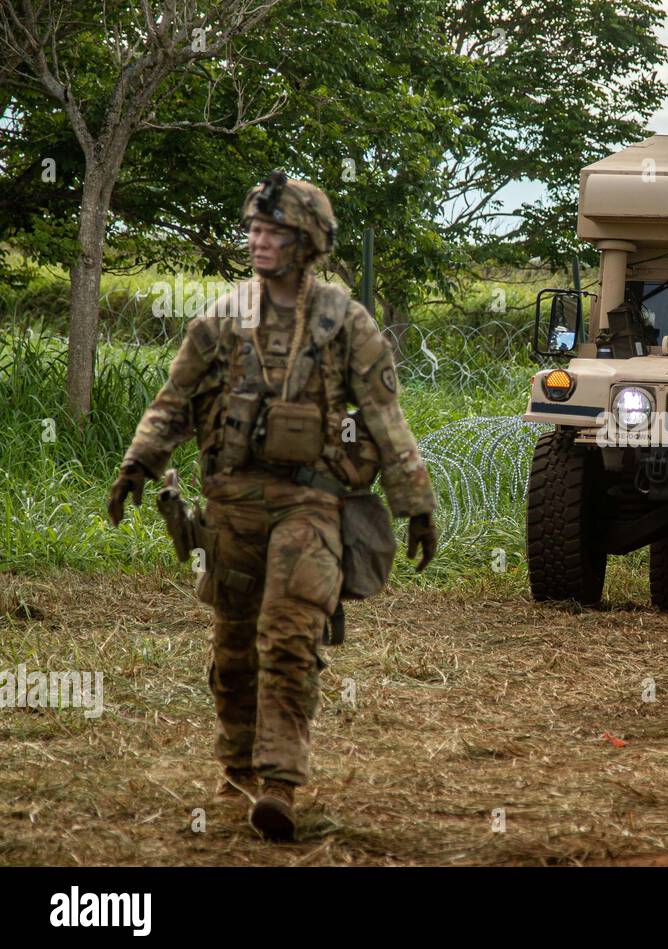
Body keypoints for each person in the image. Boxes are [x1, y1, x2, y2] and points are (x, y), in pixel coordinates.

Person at [107, 172, 438, 841]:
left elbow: (384, 418)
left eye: (274, 231)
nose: (259, 241)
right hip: (230, 505)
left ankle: (280, 783)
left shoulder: (345, 323)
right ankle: (236, 774)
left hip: (310, 504)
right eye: (254, 230)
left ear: (307, 241)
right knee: (233, 650)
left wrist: (417, 503)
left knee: (288, 636)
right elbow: (173, 402)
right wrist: (137, 464)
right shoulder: (222, 320)